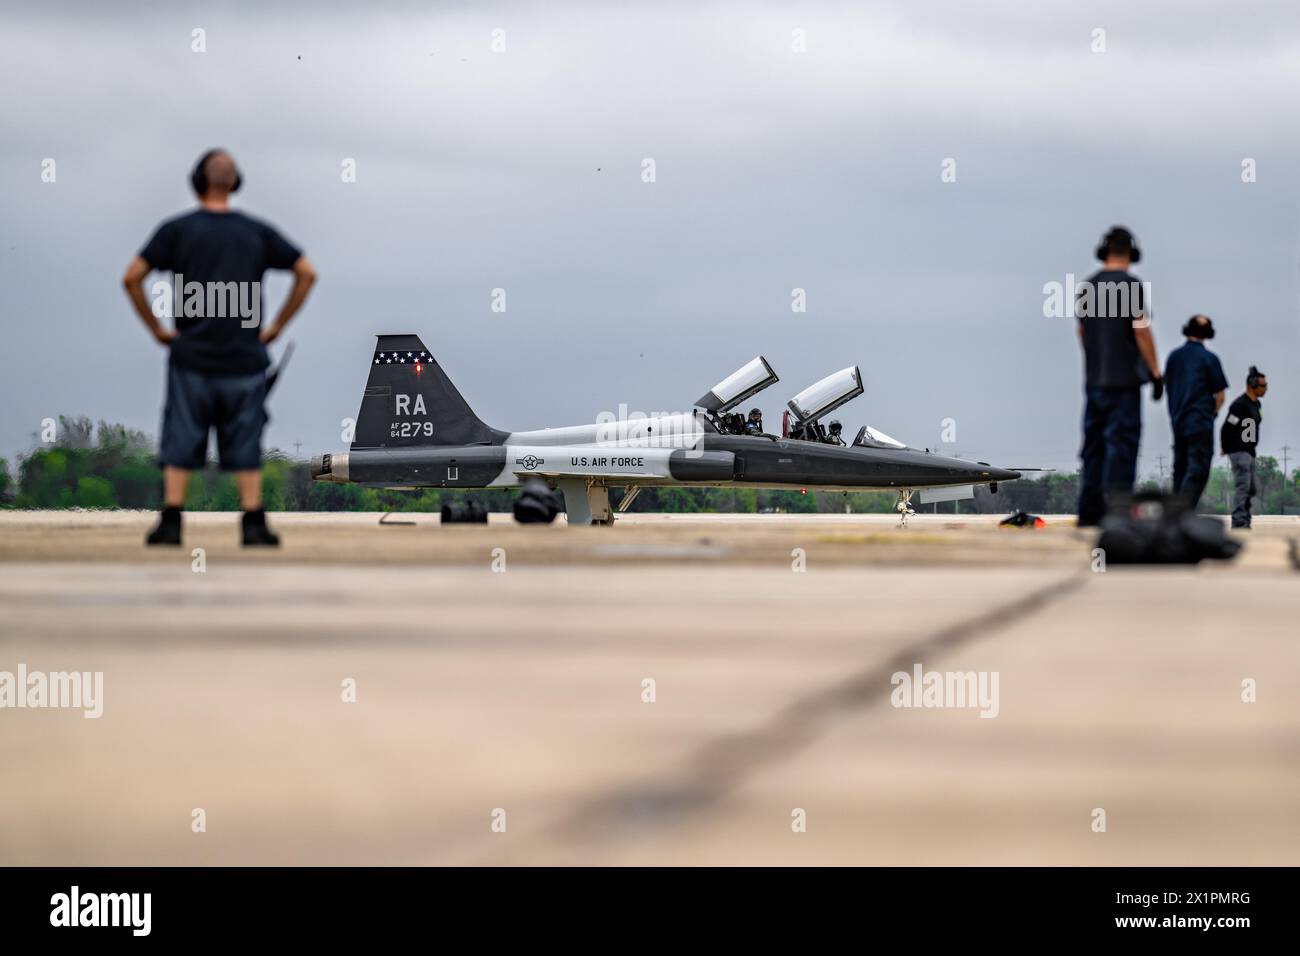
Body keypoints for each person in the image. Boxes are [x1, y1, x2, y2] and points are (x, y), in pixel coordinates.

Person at [122, 149, 317, 546]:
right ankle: (253, 523)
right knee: (246, 439)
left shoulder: (176, 231)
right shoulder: (256, 232)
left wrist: (157, 330)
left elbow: (132, 278)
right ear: (236, 182)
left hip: (191, 357)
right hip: (244, 359)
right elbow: (306, 273)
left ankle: (172, 521)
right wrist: (276, 325)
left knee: (180, 435)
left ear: (197, 182)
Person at [1075, 226, 1163, 526]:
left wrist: (1095, 361)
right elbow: (1141, 331)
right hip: (1125, 383)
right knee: (1122, 446)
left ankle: (1089, 513)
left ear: (1104, 252)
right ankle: (1118, 512)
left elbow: (1082, 332)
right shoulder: (1131, 287)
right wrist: (1155, 371)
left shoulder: (1087, 287)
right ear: (1132, 253)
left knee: (1094, 447)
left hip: (1095, 381)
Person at [1163, 315, 1227, 509]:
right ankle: (1182, 511)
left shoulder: (1173, 357)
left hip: (1177, 420)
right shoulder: (1210, 359)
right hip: (1200, 420)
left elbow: (1169, 388)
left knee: (1180, 468)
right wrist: (1212, 414)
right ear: (1209, 333)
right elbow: (1221, 396)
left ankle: (1174, 513)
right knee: (1198, 468)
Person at [1221, 366, 1267, 529]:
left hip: (1250, 451)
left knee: (1252, 488)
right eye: (1262, 386)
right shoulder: (1239, 405)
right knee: (1243, 485)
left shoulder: (1257, 405)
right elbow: (1227, 426)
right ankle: (1239, 520)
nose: (1265, 389)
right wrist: (1225, 446)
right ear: (1252, 385)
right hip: (1238, 451)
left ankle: (1244, 516)